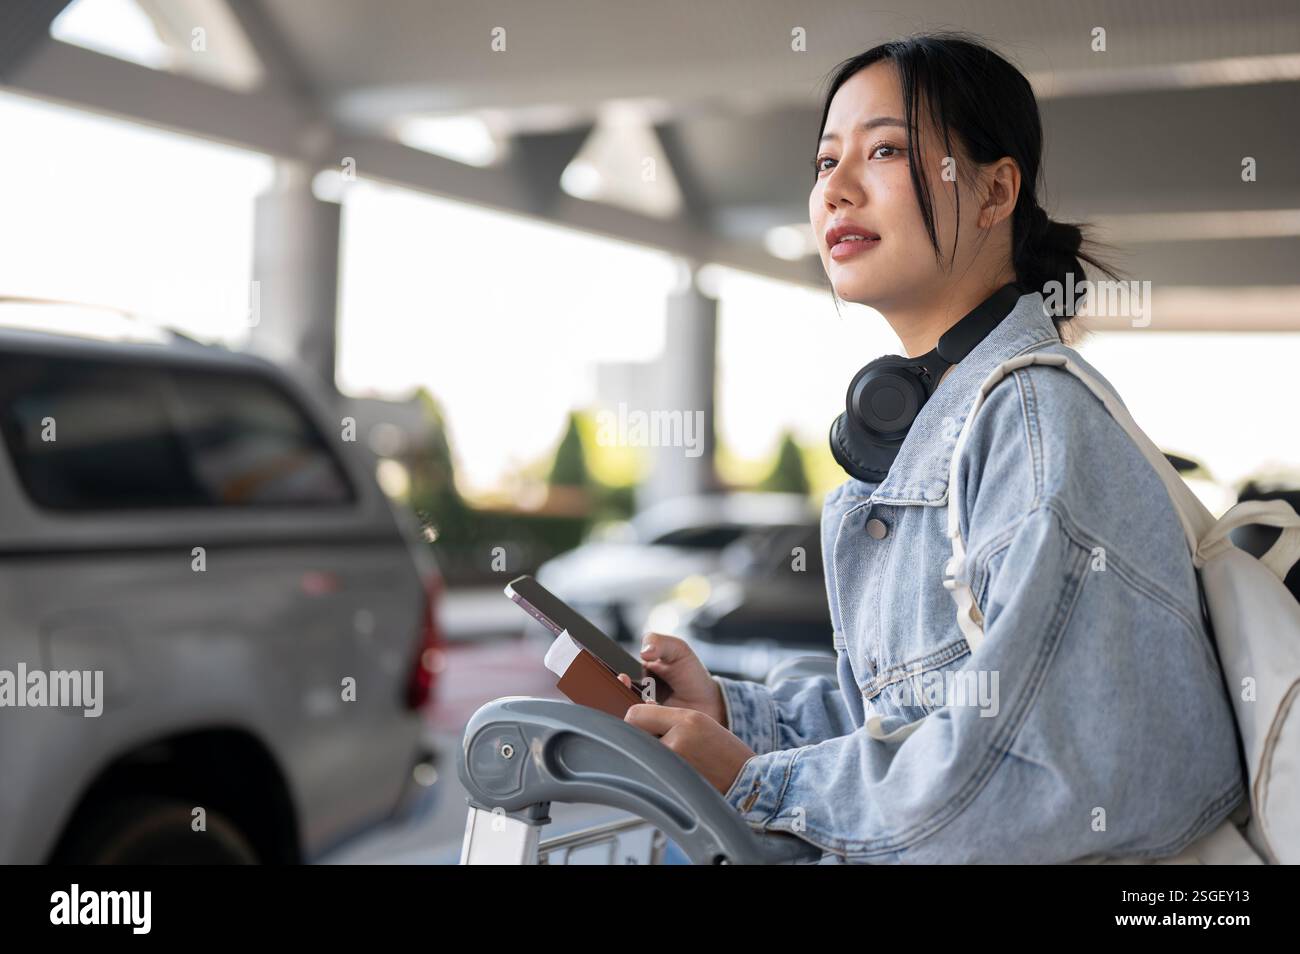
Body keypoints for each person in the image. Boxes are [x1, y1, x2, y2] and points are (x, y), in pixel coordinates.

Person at [618, 32, 1246, 863]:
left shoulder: (1029, 423)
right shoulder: (960, 424)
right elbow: (923, 720)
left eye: (883, 151)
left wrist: (760, 782)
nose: (836, 189)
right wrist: (739, 721)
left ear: (993, 192)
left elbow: (1035, 768)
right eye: (823, 162)